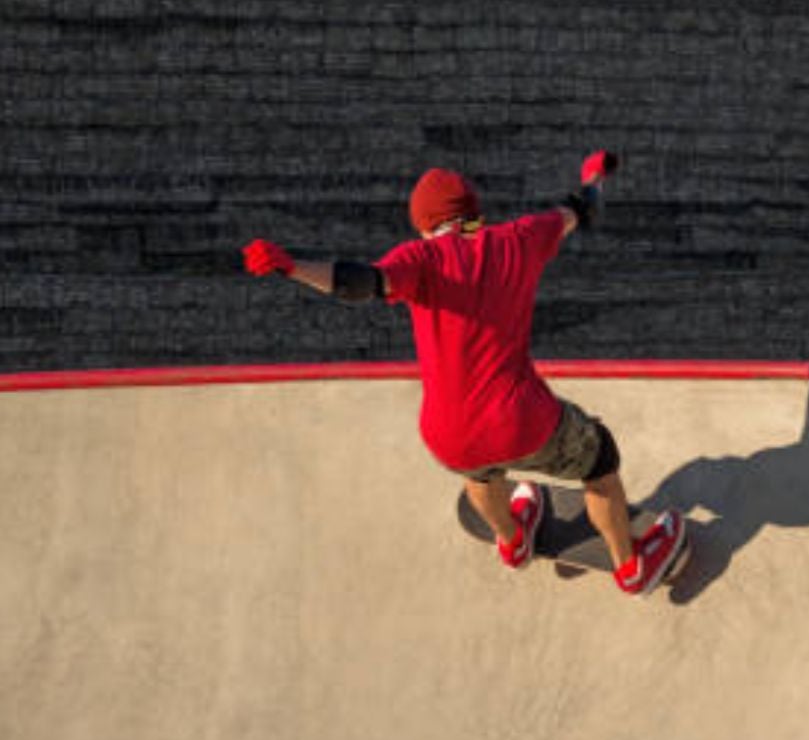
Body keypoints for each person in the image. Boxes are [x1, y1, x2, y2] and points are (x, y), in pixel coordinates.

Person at [242, 151, 688, 595]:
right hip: (521, 422)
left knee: (479, 472)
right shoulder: (520, 237)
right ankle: (631, 566)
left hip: (447, 436)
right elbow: (581, 209)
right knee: (599, 456)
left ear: (423, 226)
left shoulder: (418, 258)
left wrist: (292, 267)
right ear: (475, 214)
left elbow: (362, 282)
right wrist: (593, 177)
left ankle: (512, 541)